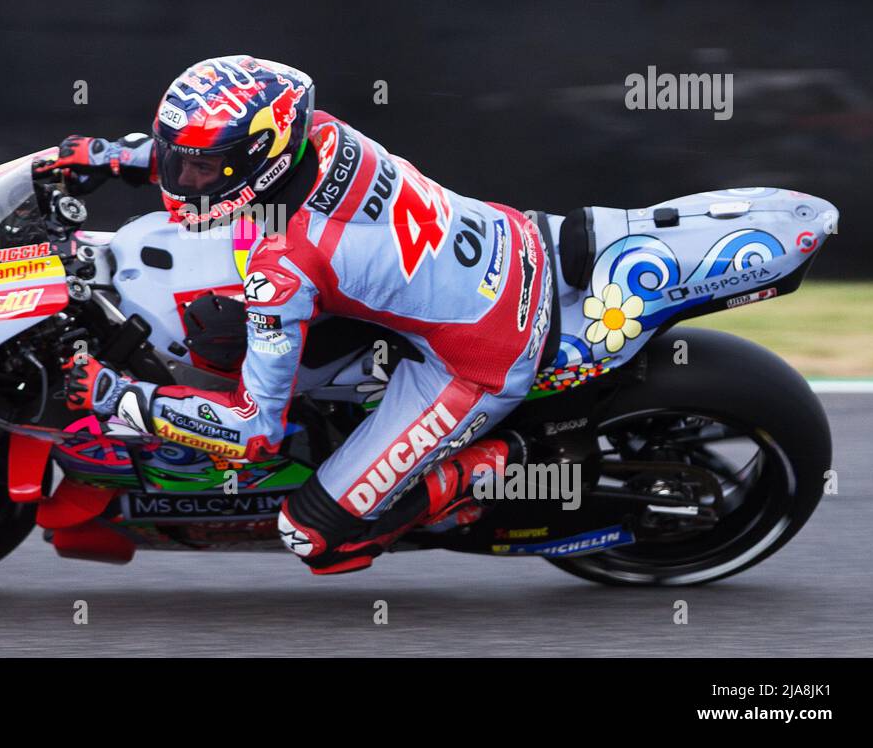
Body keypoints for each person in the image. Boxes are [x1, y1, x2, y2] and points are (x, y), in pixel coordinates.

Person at [42, 55, 550, 574]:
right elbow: (229, 160)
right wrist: (114, 157)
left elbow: (253, 433)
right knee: (225, 333)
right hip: (514, 240)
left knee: (312, 538)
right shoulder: (321, 132)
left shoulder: (285, 266)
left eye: (200, 167)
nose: (183, 178)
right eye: (178, 160)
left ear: (262, 158)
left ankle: (505, 461)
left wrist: (120, 396)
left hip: (482, 353)